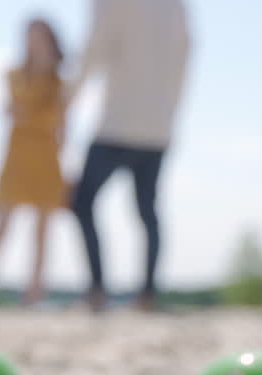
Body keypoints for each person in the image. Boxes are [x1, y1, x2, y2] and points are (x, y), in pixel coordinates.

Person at [68, 0, 191, 311]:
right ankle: (147, 295)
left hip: (117, 124)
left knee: (83, 202)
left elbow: (95, 47)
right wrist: (171, 116)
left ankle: (97, 291)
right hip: (158, 128)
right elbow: (185, 55)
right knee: (148, 212)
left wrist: (66, 98)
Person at [0, 18, 68, 307]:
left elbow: (61, 125)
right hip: (17, 157)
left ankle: (34, 295)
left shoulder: (61, 82)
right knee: (2, 225)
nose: (34, 43)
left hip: (47, 158)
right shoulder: (14, 74)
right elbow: (12, 110)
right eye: (30, 37)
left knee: (42, 231)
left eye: (40, 37)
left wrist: (33, 114)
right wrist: (36, 114)